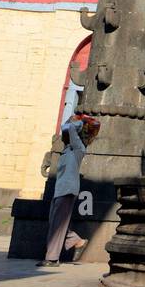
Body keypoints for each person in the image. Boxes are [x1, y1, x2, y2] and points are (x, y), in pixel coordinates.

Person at [37, 114, 100, 269]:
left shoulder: (78, 147)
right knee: (56, 223)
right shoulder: (68, 149)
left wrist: (82, 120)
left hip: (67, 190)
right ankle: (76, 241)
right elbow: (65, 127)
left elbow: (69, 127)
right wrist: (74, 119)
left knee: (57, 224)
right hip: (61, 190)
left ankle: (52, 258)